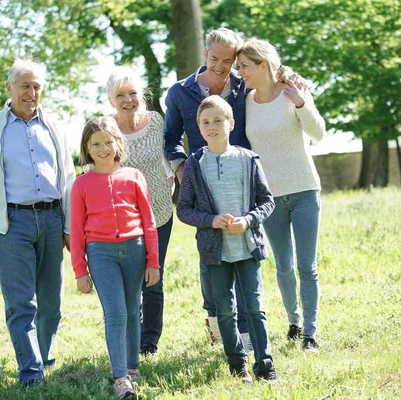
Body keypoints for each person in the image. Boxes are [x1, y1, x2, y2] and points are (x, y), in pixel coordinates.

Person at [0, 58, 76, 387]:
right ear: (9, 88)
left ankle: (45, 359)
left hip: (52, 219)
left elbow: (68, 177)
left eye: (36, 87)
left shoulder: (54, 125)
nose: (31, 92)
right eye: (25, 86)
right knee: (20, 304)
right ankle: (31, 375)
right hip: (12, 224)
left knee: (52, 301)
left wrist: (69, 226)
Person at [176, 95, 277, 382]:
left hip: (247, 246)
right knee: (224, 309)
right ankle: (237, 363)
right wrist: (210, 220)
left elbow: (266, 201)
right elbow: (183, 209)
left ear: (231, 124)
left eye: (218, 120)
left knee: (255, 307)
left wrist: (248, 220)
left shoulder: (249, 159)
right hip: (215, 251)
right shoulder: (195, 165)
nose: (212, 126)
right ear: (197, 127)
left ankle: (265, 364)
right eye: (205, 122)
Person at [237, 38, 326, 352]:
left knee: (307, 266)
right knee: (284, 266)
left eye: (244, 66)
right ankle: (294, 321)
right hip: (270, 198)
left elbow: (318, 132)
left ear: (263, 65)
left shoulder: (293, 91)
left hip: (303, 189)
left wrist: (301, 102)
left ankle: (311, 334)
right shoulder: (245, 101)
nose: (240, 72)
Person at [163, 27, 250, 347]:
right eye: (215, 58)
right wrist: (183, 169)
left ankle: (245, 326)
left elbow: (270, 79)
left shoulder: (243, 87)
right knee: (210, 252)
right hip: (201, 184)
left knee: (244, 250)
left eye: (228, 61)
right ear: (205, 54)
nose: (220, 66)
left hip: (241, 181)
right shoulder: (179, 92)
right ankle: (215, 322)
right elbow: (170, 138)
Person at [70, 117, 160, 399]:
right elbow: (75, 231)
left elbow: (148, 221)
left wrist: (153, 260)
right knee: (116, 313)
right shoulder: (81, 184)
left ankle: (133, 367)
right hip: (100, 253)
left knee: (134, 310)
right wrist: (79, 270)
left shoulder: (134, 176)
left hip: (134, 248)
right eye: (96, 143)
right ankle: (120, 377)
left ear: (118, 143)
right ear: (86, 148)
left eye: (108, 141)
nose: (103, 148)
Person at [106, 67, 174, 356]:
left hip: (159, 212)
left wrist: (170, 181)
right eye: (120, 95)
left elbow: (169, 156)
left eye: (132, 93)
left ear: (141, 96)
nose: (128, 100)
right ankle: (127, 339)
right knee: (129, 282)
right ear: (111, 100)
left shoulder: (157, 121)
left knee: (153, 279)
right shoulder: (104, 129)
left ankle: (149, 344)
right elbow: (92, 170)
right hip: (125, 220)